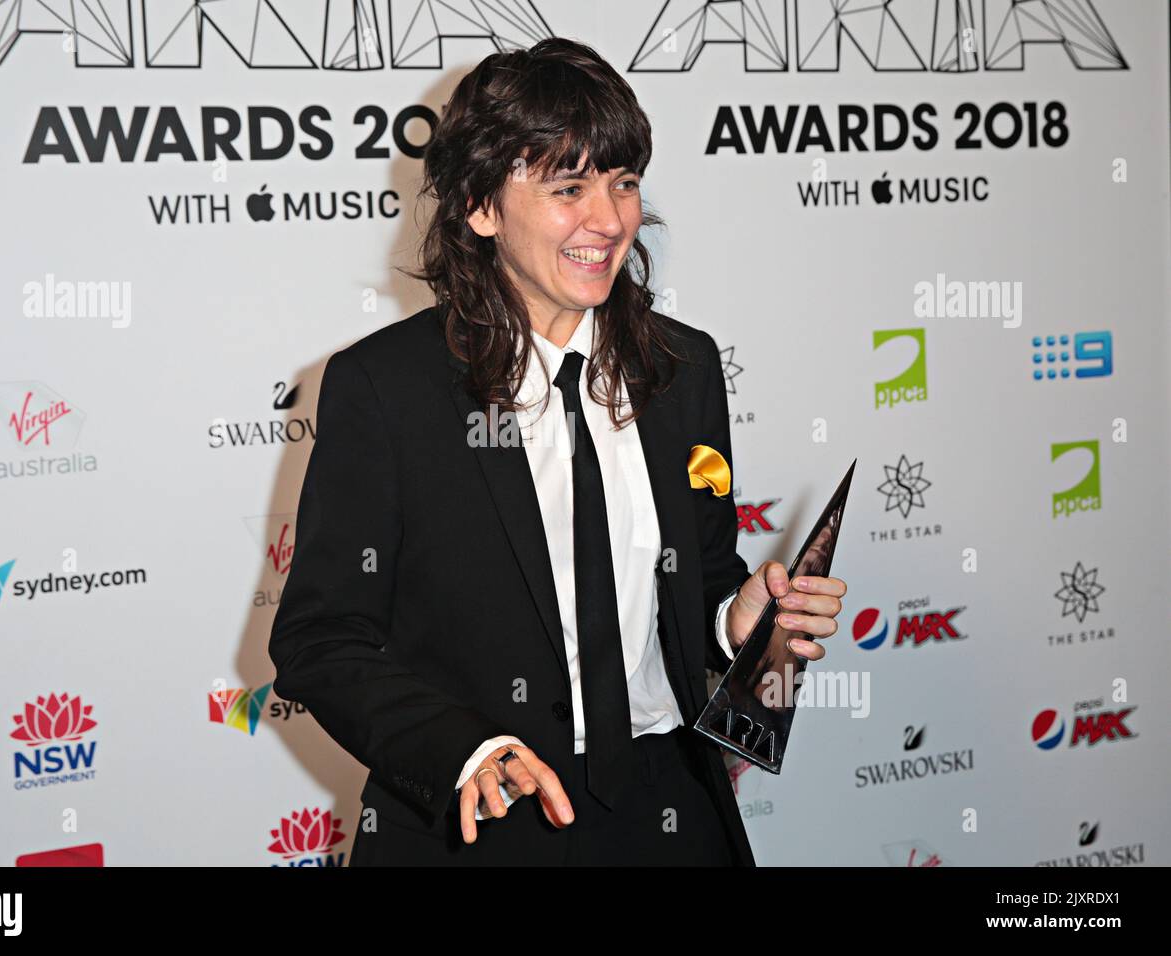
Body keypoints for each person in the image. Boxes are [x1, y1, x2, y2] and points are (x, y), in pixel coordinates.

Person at [268, 37, 846, 866]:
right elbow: (322, 640)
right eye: (568, 188)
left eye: (624, 182)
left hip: (669, 805)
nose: (608, 221)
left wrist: (737, 621)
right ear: (480, 206)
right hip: (480, 815)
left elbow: (698, 574)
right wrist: (463, 750)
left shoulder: (682, 367)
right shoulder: (387, 388)